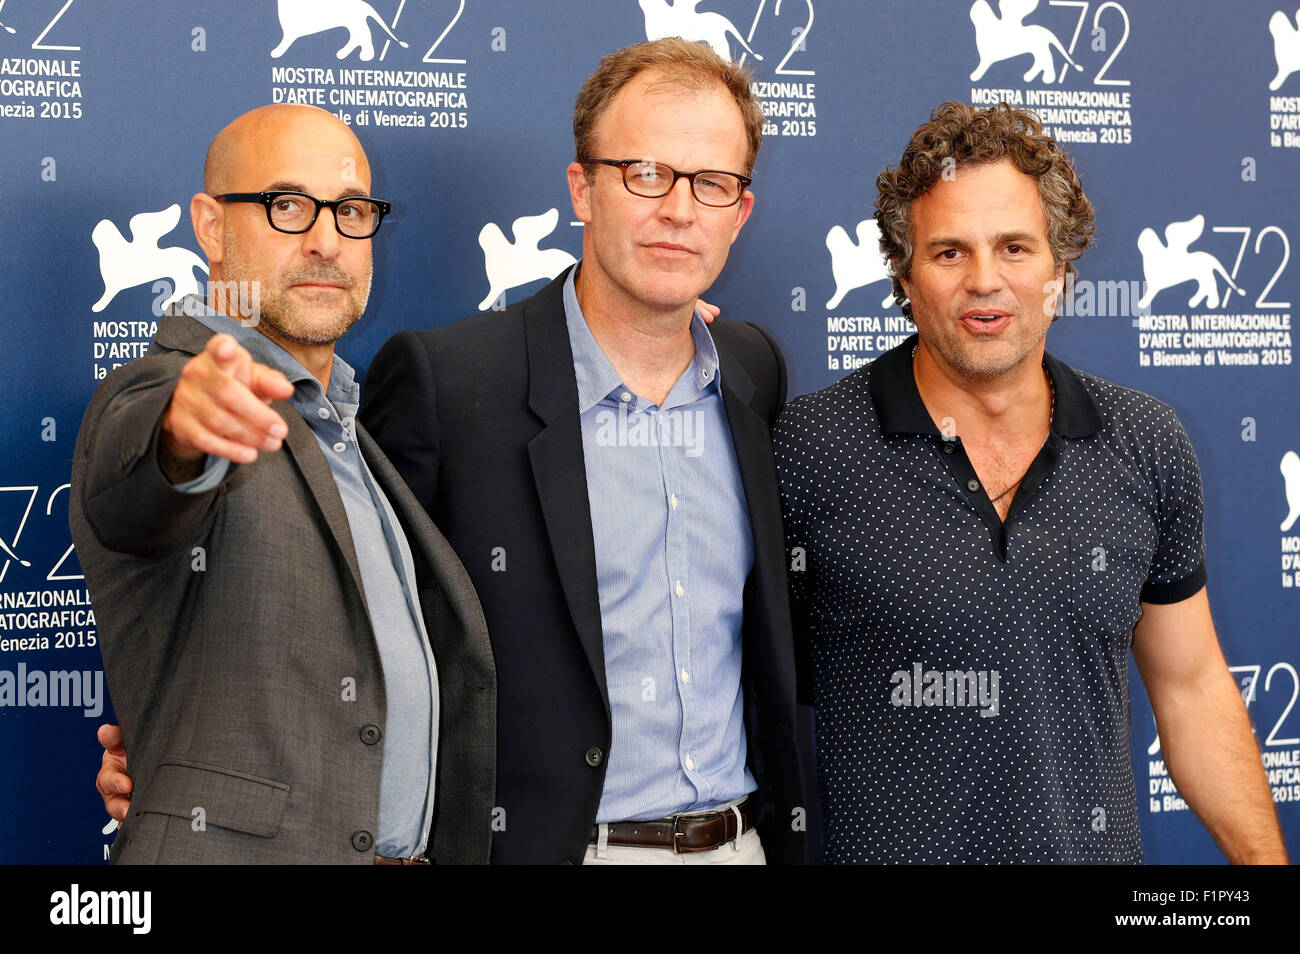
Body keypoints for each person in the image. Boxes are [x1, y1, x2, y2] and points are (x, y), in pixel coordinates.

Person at [773, 101, 1288, 864]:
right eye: (950, 253)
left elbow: (1191, 688)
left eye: (1015, 248)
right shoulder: (809, 447)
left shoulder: (1145, 442)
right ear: (905, 276)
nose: (986, 281)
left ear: (1061, 272)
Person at [360, 38, 811, 865]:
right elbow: (352, 630)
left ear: (740, 211)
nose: (680, 210)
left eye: (712, 183)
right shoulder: (447, 383)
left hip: (743, 844)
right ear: (583, 189)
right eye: (646, 172)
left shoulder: (755, 371)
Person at [72, 104, 496, 864]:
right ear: (210, 226)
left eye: (351, 211)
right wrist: (181, 426)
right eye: (287, 206)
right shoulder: (162, 390)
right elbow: (138, 481)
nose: (327, 241)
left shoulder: (346, 431)